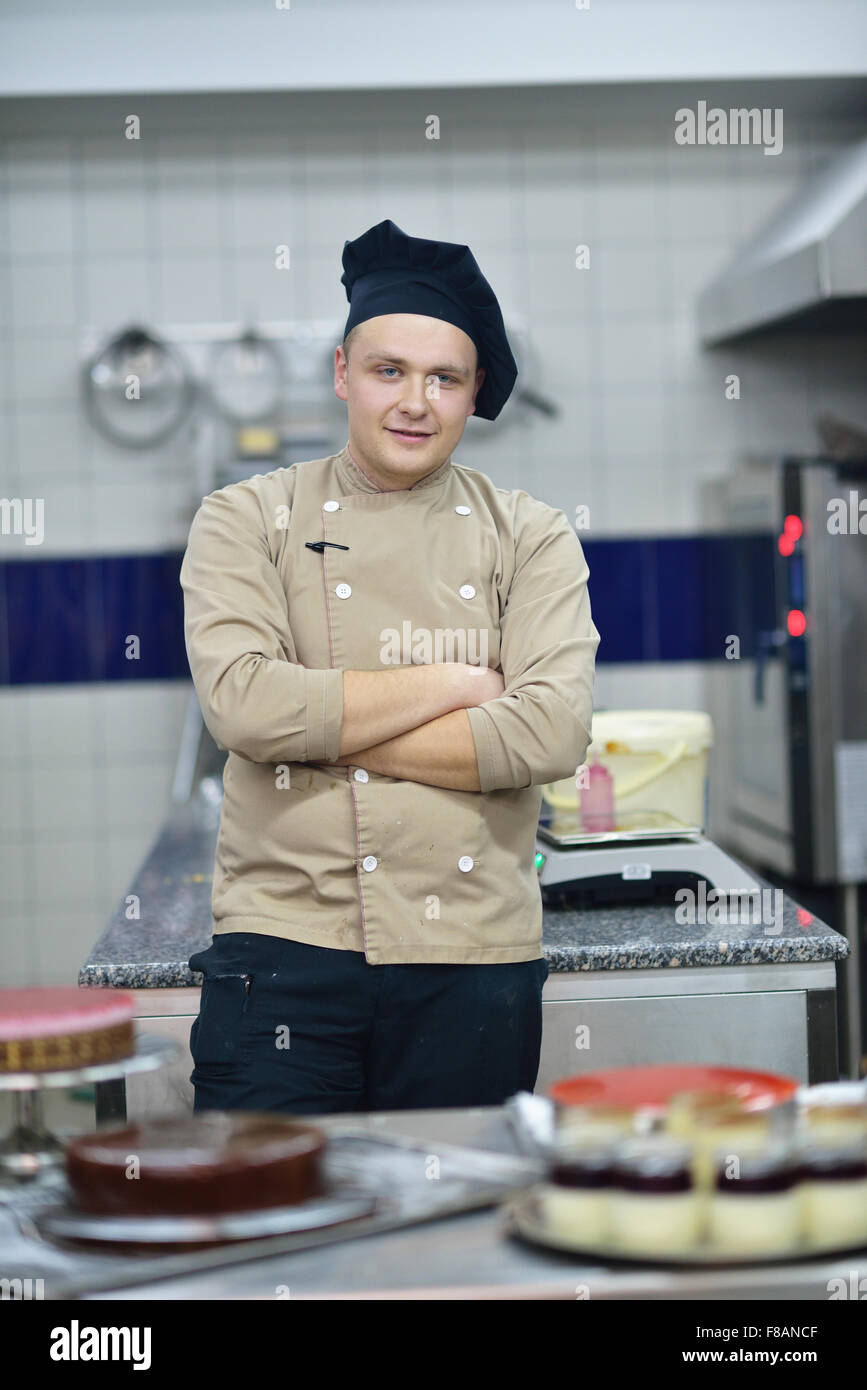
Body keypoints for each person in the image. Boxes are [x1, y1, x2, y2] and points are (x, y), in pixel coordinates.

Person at [180, 218, 600, 1114]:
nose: (415, 401)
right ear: (342, 375)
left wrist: (323, 731)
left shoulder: (530, 533)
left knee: (453, 1244)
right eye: (388, 372)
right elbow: (245, 710)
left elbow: (550, 729)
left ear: (473, 389)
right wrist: (456, 685)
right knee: (273, 1229)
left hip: (474, 964)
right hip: (282, 953)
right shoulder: (245, 517)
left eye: (444, 378)